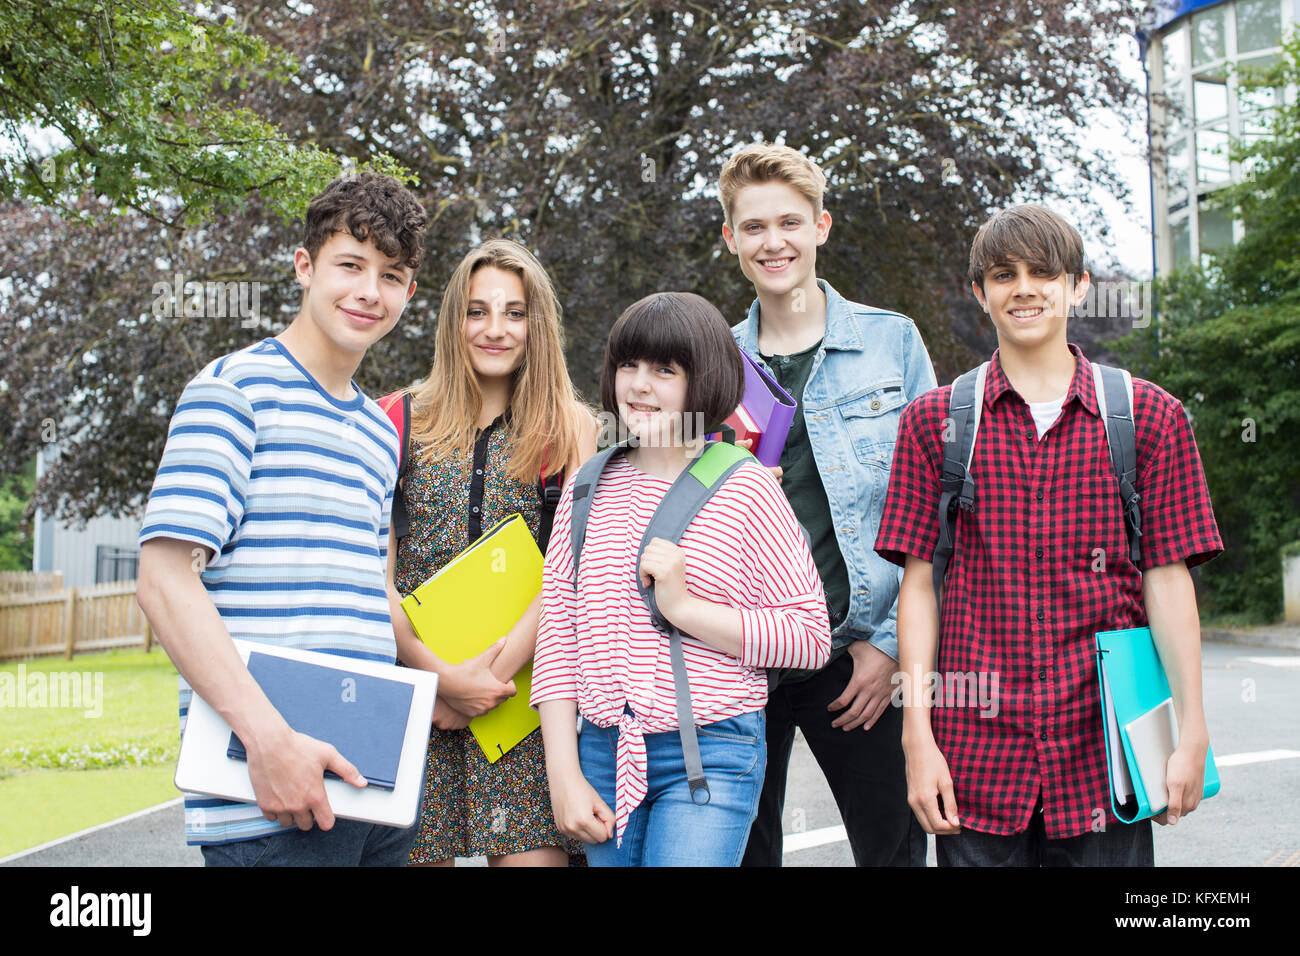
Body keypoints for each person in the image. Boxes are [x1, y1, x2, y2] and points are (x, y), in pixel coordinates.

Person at [875, 203, 1223, 866]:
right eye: (1004, 275)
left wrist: (1191, 728)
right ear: (980, 293)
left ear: (1078, 286)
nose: (1024, 288)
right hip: (975, 758)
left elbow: (1169, 580)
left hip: (1105, 755)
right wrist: (917, 736)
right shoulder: (934, 424)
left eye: (1044, 272)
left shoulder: (1150, 418)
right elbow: (918, 588)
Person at [136, 171, 428, 865]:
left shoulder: (379, 430)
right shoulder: (232, 392)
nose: (369, 291)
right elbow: (163, 582)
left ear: (409, 293)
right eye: (350, 265)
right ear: (304, 267)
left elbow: (359, 595)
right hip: (266, 798)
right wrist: (268, 742)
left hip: (373, 790)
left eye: (391, 275)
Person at [532, 292, 832, 867]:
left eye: (665, 370)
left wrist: (685, 608)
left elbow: (809, 636)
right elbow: (558, 641)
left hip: (712, 751)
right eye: (629, 365)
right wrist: (563, 773)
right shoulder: (587, 487)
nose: (640, 385)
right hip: (602, 750)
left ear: (705, 379)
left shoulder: (747, 487)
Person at [718, 142, 936, 866]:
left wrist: (891, 648)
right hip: (744, 658)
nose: (772, 242)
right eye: (753, 227)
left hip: (860, 655)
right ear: (730, 240)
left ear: (821, 226)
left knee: (894, 854)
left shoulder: (890, 343)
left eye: (789, 222)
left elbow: (938, 504)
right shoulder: (712, 361)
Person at [387, 238, 597, 867]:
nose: (495, 329)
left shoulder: (570, 427)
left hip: (527, 710)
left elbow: (572, 570)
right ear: (454, 320)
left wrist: (489, 680)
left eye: (515, 312)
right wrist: (442, 680)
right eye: (478, 311)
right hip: (415, 707)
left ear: (539, 325)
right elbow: (377, 575)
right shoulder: (395, 419)